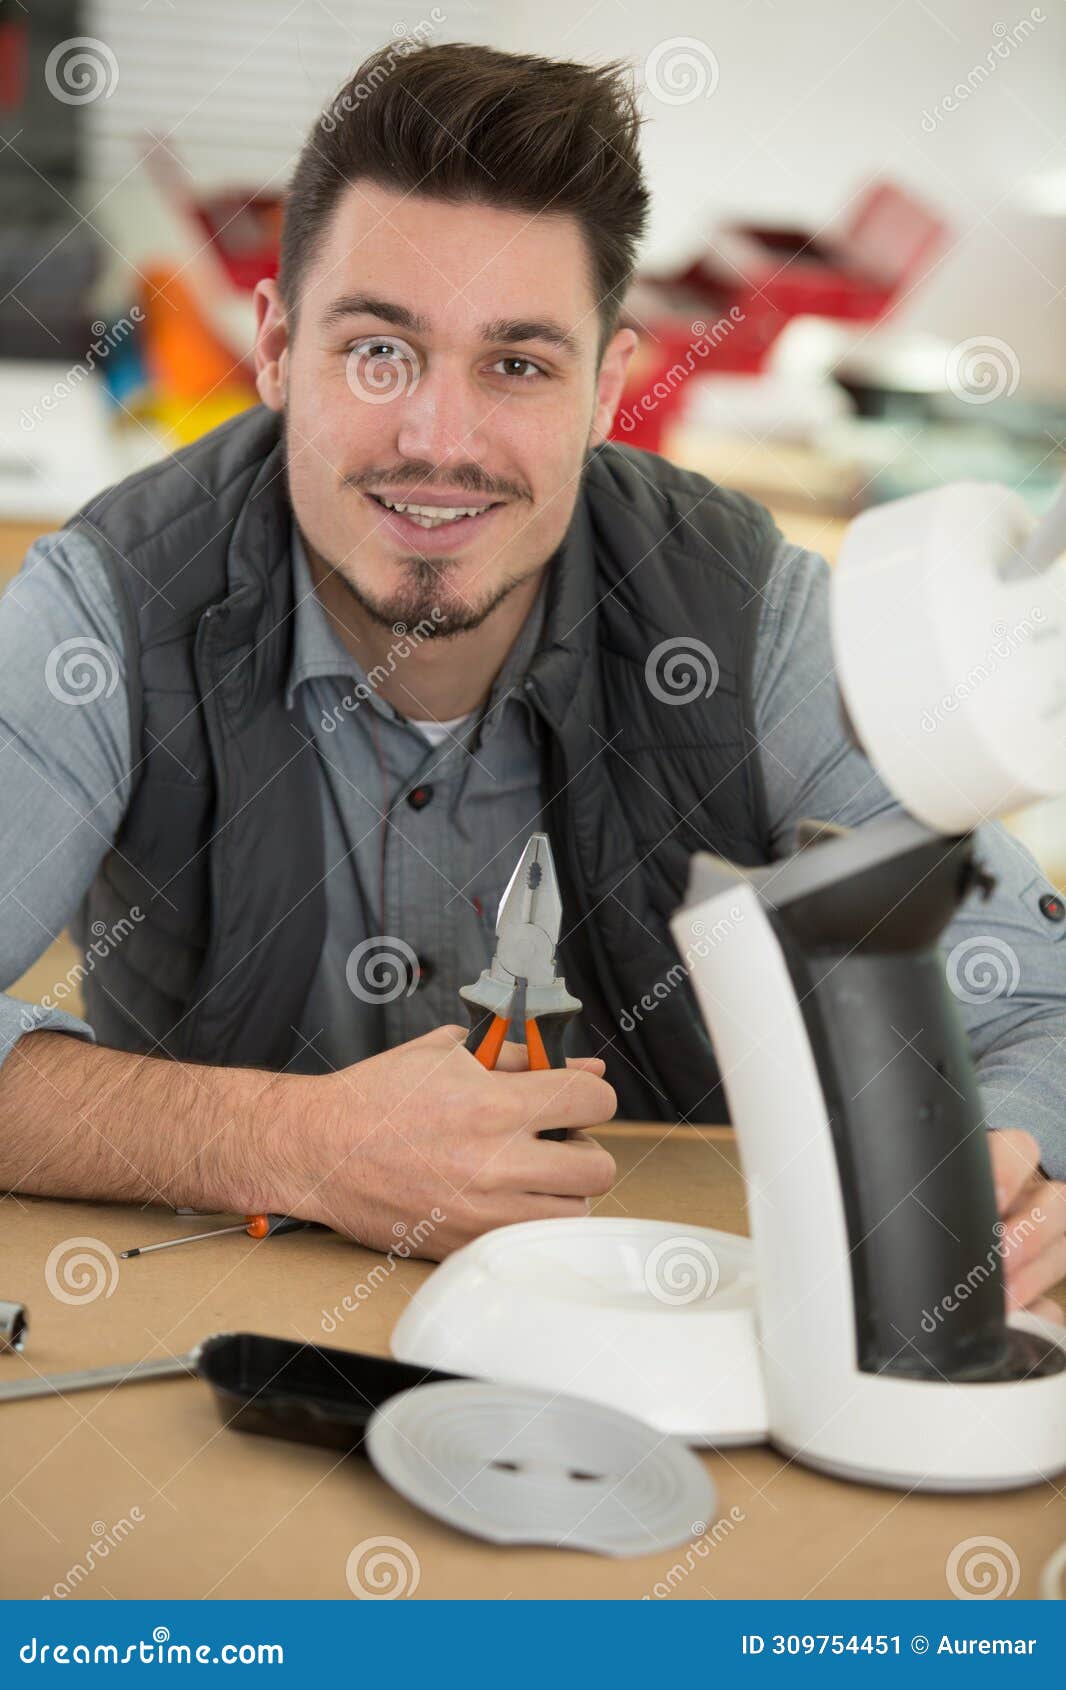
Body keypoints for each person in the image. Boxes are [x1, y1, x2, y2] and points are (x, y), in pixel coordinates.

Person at [0, 41, 1063, 1317]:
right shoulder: (105, 605)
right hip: (220, 1331)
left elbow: (1029, 993)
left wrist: (1014, 1161)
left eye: (517, 364)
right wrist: (286, 1142)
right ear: (276, 348)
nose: (438, 442)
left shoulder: (748, 616)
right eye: (380, 350)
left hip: (673, 1352)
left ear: (608, 387)